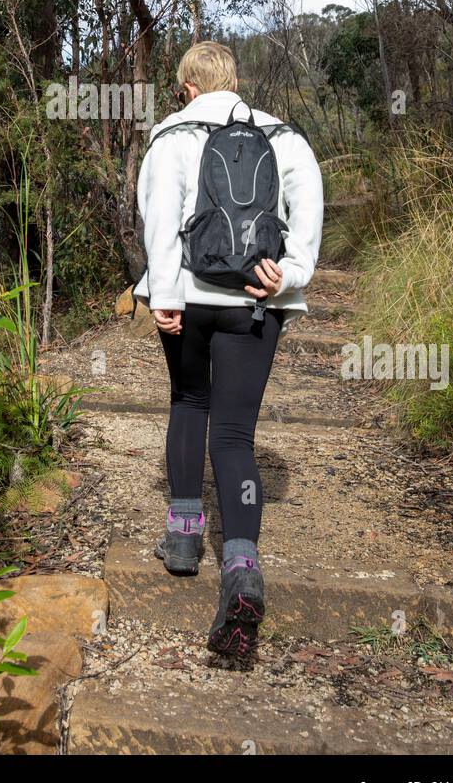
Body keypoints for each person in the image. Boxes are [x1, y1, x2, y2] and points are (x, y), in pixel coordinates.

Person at [132, 41, 324, 659]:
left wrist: (163, 292)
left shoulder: (171, 137)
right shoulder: (283, 136)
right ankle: (242, 572)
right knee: (236, 436)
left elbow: (159, 217)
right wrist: (290, 275)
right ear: (236, 82)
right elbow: (309, 210)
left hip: (188, 299)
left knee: (188, 401)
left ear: (187, 88)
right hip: (255, 299)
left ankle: (184, 540)